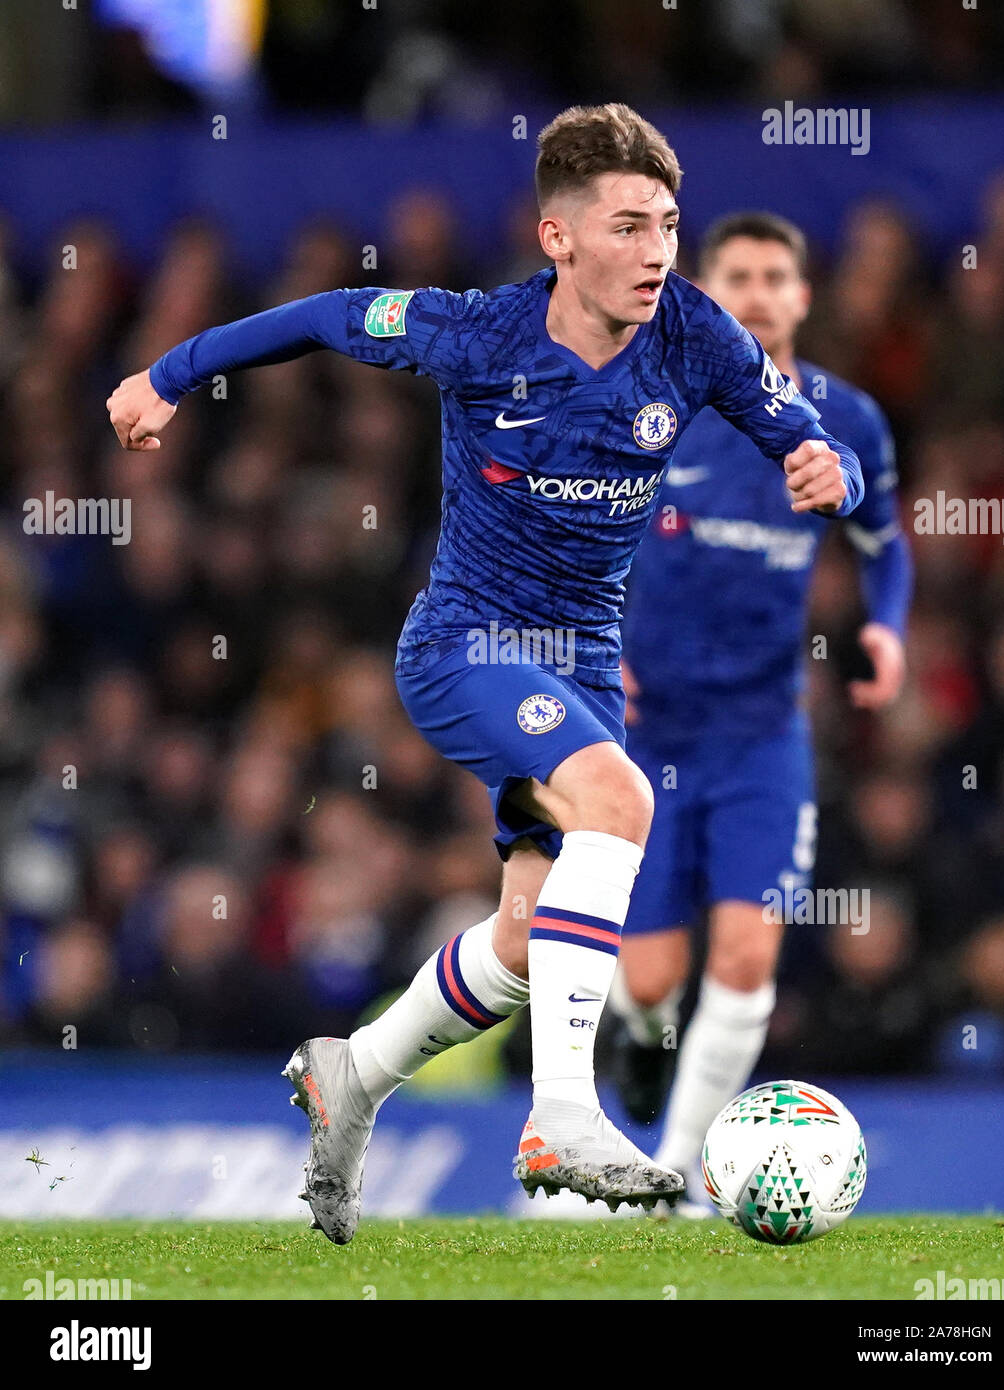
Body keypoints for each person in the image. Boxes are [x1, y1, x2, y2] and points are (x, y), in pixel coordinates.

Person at [106, 107, 863, 1246]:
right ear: (557, 238)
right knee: (622, 800)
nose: (657, 248)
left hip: (584, 671)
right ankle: (561, 1112)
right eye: (626, 225)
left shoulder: (696, 337)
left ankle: (353, 1071)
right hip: (465, 646)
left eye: (666, 221)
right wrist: (170, 372)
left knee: (524, 940)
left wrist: (830, 469)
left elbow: (809, 438)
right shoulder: (476, 332)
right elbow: (323, 315)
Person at [610, 212, 911, 1209]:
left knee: (744, 954)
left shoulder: (843, 416)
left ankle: (681, 1174)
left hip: (762, 731)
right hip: (645, 737)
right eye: (734, 275)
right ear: (701, 289)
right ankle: (639, 1030)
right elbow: (566, 525)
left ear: (801, 295)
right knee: (652, 977)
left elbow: (881, 539)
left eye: (774, 276)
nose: (755, 292)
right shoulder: (644, 399)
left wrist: (887, 629)